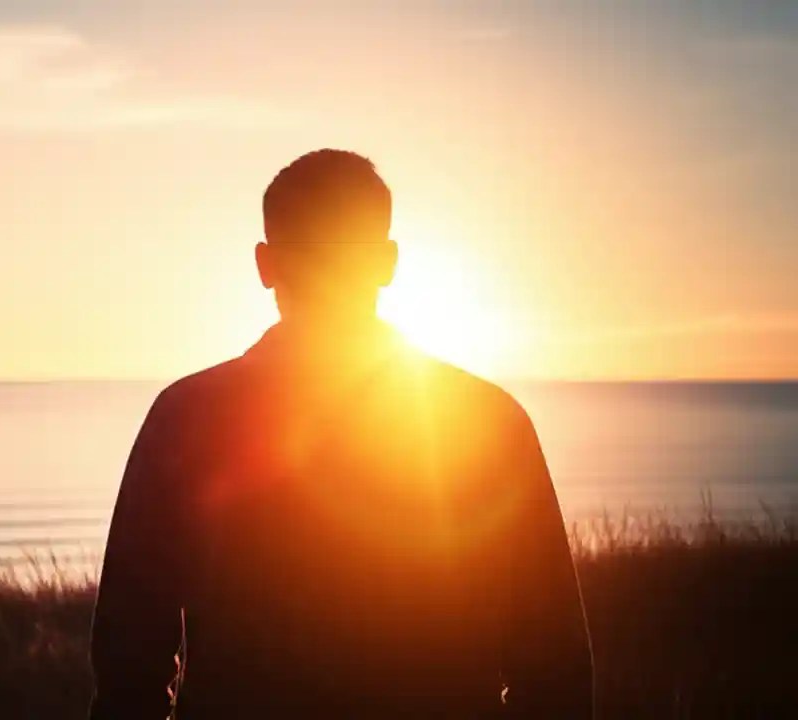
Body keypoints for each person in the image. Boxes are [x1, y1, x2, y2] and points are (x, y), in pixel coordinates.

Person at [89, 149, 593, 719]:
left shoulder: (186, 417)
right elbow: (554, 664)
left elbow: (129, 659)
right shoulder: (487, 419)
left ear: (264, 265)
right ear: (386, 262)